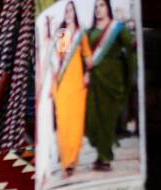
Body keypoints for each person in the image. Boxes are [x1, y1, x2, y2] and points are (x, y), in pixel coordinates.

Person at [84, 0, 137, 171]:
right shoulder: (90, 31)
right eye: (96, 6)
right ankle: (102, 151)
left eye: (102, 5)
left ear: (108, 7)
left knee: (106, 121)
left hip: (112, 81)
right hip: (94, 81)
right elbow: (83, 53)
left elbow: (131, 48)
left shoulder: (118, 28)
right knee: (92, 123)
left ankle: (104, 158)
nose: (99, 9)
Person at [53, 1, 90, 174]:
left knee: (76, 122)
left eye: (70, 10)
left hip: (77, 84)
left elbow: (88, 56)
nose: (68, 14)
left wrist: (88, 74)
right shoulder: (63, 33)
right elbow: (60, 59)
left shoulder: (80, 32)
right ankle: (66, 160)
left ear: (74, 12)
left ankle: (72, 159)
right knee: (64, 121)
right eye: (66, 11)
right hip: (63, 83)